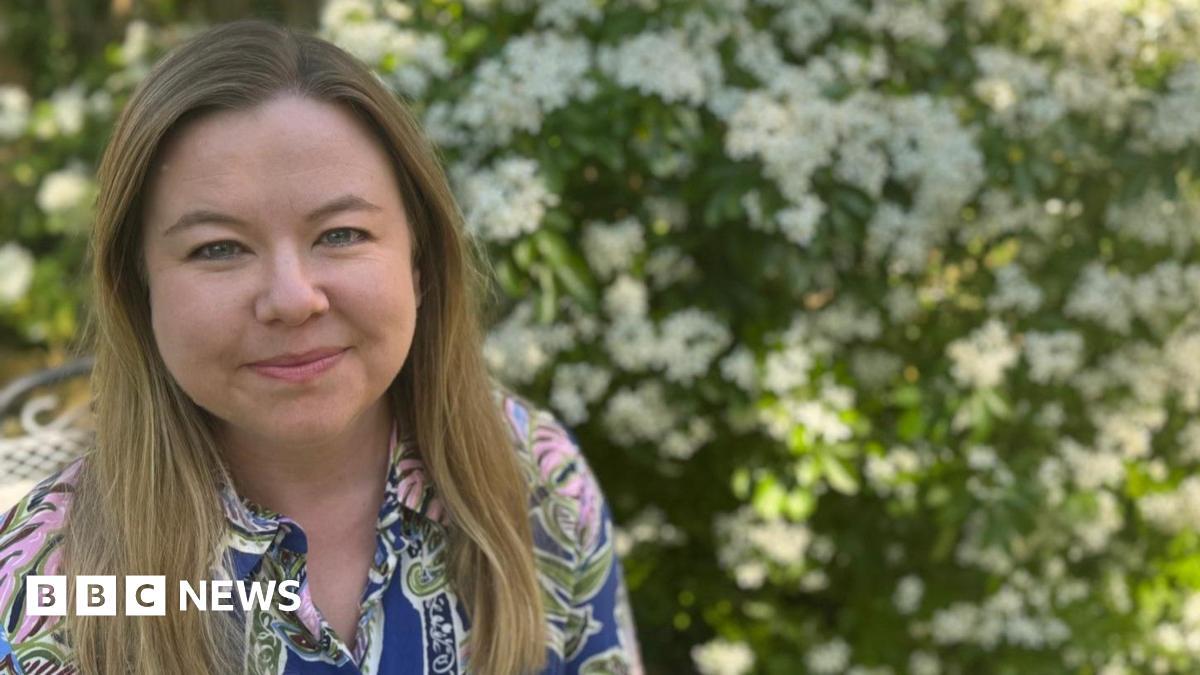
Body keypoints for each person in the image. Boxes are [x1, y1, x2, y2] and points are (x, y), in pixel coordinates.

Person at [0, 19, 642, 675]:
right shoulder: (49, 584)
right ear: (140, 291)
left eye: (340, 234)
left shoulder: (537, 477)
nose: (292, 297)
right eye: (218, 247)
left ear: (418, 261)